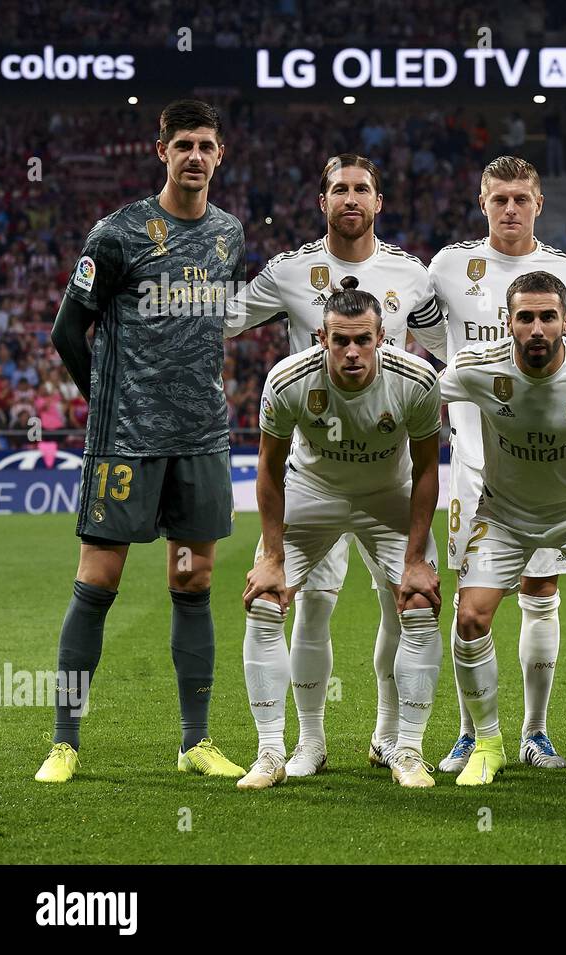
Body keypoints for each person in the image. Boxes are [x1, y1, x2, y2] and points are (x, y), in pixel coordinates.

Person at [37, 99, 247, 784]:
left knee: (194, 578)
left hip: (200, 438)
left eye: (205, 145)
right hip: (125, 441)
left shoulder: (229, 235)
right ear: (161, 151)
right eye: (182, 143)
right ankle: (64, 741)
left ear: (220, 155)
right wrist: (106, 402)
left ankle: (195, 741)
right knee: (99, 578)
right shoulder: (119, 233)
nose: (194, 155)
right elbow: (70, 331)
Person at [226, 153, 443, 776]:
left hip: (387, 477)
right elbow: (226, 320)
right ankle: (298, 746)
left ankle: (395, 741)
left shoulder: (412, 275)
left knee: (407, 601)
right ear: (323, 201)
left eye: (363, 190)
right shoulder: (289, 272)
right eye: (340, 190)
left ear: (379, 201)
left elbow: (446, 347)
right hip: (312, 473)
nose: (351, 199)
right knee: (293, 602)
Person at [441, 271, 566, 786]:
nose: (537, 328)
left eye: (548, 317)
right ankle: (487, 743)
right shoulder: (474, 368)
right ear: (507, 322)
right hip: (505, 514)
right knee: (470, 619)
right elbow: (411, 398)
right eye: (526, 317)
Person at [427, 156, 566, 773]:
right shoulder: (448, 266)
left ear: (539, 204)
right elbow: (434, 338)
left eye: (522, 198)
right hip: (472, 464)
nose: (511, 209)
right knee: (473, 600)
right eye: (500, 199)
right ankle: (472, 731)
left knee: (542, 592)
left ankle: (536, 732)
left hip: (547, 463)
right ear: (482, 201)